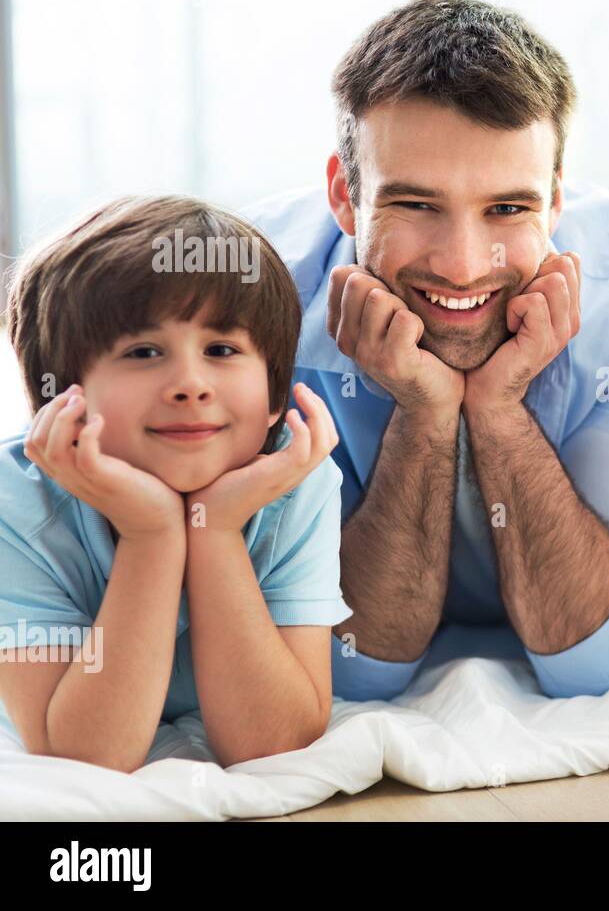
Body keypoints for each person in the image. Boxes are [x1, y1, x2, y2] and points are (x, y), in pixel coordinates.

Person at [244, 0, 609, 699]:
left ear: (554, 202)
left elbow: (605, 662)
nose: (463, 265)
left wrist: (498, 406)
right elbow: (351, 668)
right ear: (344, 195)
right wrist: (425, 414)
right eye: (416, 205)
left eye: (508, 209)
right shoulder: (257, 297)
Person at [0, 195, 348, 771]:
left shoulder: (297, 483)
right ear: (60, 394)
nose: (190, 383)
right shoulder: (18, 501)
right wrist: (152, 536)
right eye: (143, 351)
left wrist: (216, 531)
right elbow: (84, 756)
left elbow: (274, 742)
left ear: (273, 396)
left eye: (221, 349)